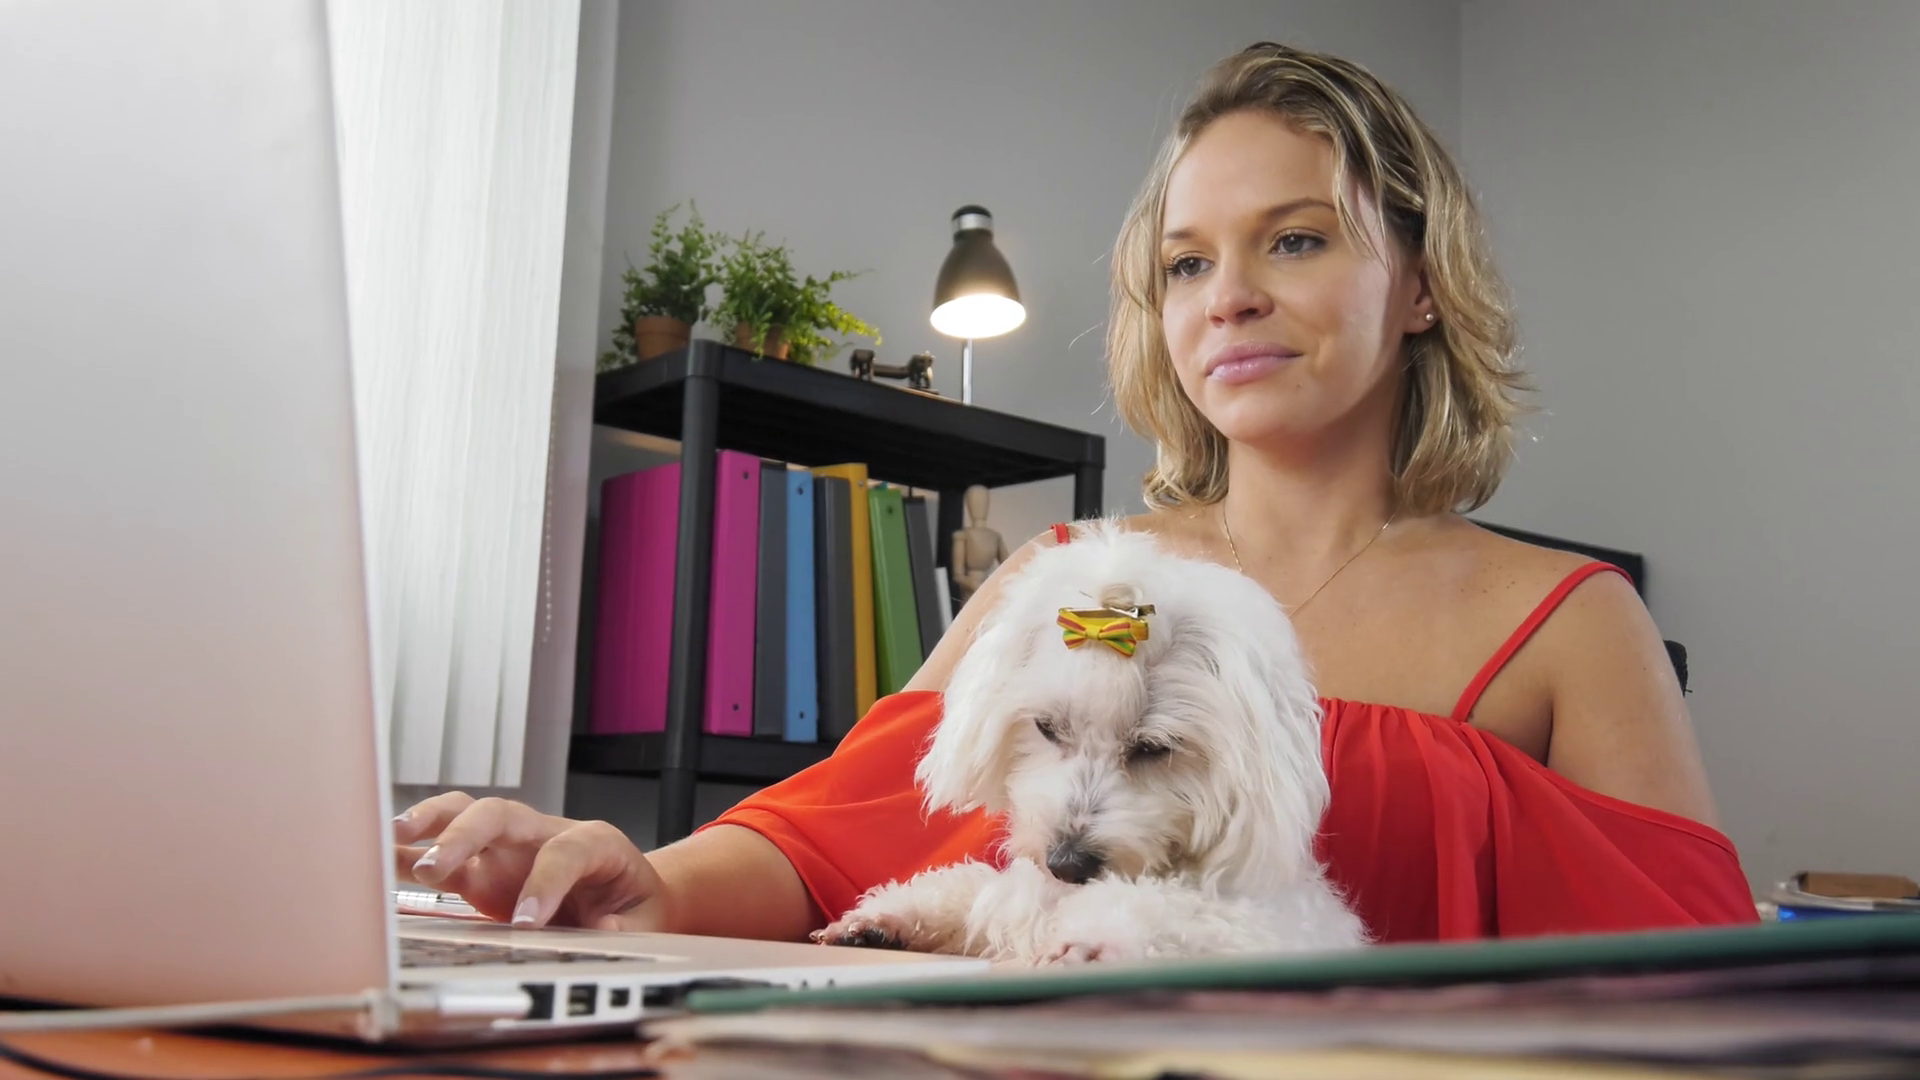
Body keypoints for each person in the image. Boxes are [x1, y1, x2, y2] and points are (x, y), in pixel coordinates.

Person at [394, 41, 1756, 946]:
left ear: (1418, 283)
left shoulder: (1573, 625)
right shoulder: (1067, 585)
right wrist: (635, 879)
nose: (1228, 296)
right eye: (1184, 264)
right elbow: (843, 830)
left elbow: (1714, 1006)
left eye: (1294, 239)